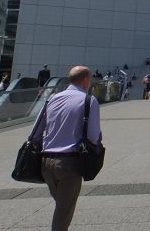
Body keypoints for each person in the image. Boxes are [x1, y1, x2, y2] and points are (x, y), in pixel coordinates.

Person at [41, 65, 102, 231]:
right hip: (69, 163)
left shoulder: (52, 99)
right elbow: (93, 136)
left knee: (62, 206)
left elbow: (39, 129)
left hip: (46, 162)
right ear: (86, 80)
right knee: (63, 213)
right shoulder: (89, 100)